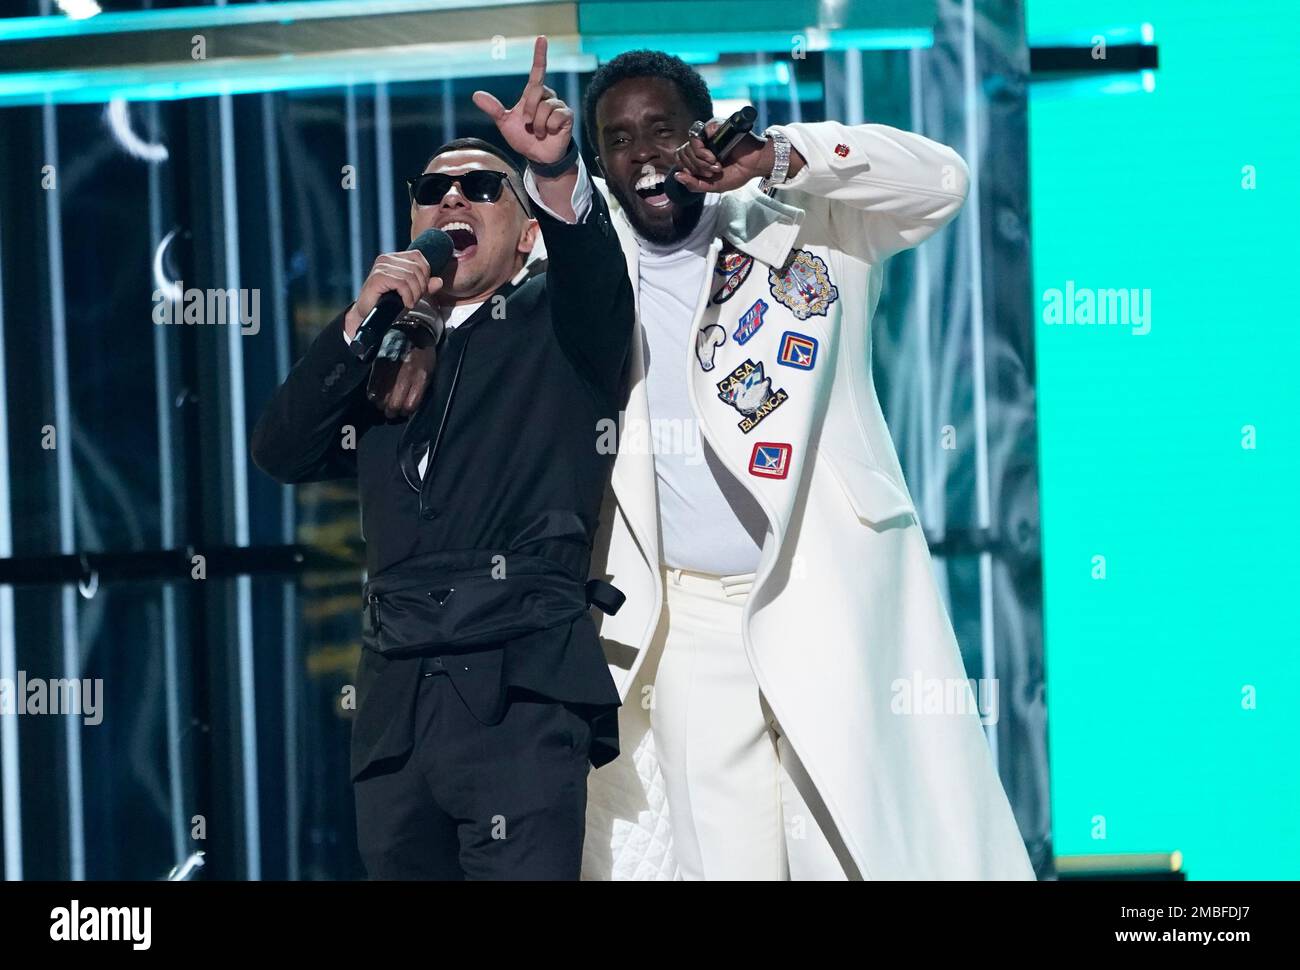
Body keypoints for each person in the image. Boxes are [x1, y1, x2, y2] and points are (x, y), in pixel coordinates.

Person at [562, 49, 1035, 880]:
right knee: (724, 862)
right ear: (602, 164)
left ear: (701, 132)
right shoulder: (594, 266)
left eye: (662, 128)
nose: (644, 153)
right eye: (620, 139)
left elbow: (944, 182)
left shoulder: (806, 216)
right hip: (687, 619)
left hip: (829, 588)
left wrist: (783, 155)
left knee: (872, 846)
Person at [249, 37, 634, 879]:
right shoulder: (390, 344)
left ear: (526, 229)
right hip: (395, 705)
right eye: (433, 191)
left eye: (481, 187)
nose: (452, 198)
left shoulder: (560, 326)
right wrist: (362, 322)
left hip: (520, 692)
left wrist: (559, 168)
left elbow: (597, 275)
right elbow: (280, 449)